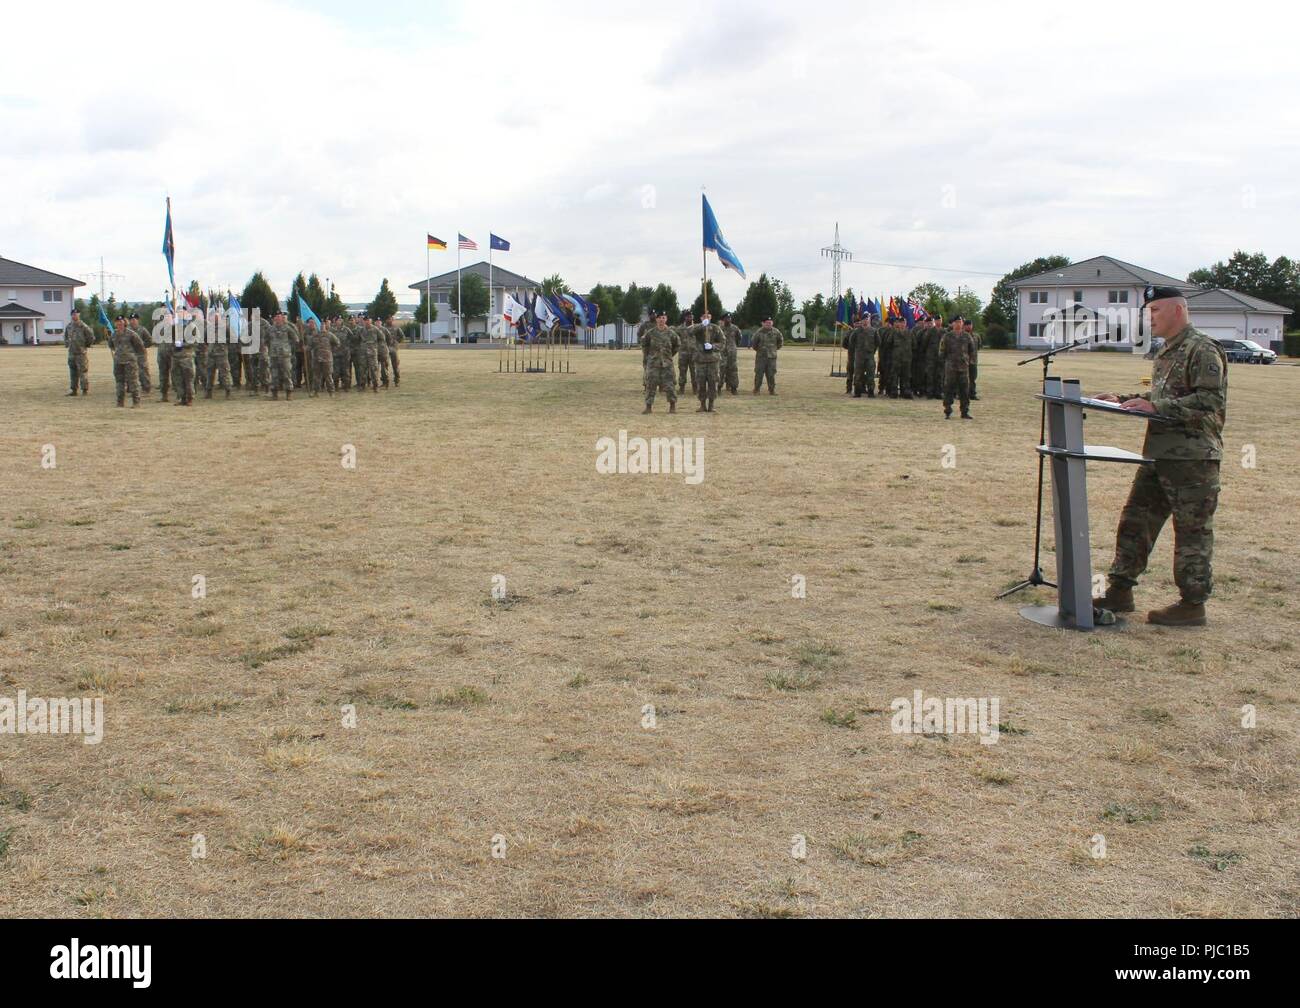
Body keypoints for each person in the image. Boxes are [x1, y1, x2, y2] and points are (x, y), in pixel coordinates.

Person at [1091, 286, 1228, 627]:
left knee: (1191, 533)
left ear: (1177, 311)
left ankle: (1192, 605)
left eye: (1154, 311)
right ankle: (1120, 590)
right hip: (1158, 455)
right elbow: (1163, 396)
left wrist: (1157, 406)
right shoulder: (1167, 352)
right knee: (1135, 521)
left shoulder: (1203, 349)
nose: (1148, 318)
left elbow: (1210, 401)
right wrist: (1123, 398)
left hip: (1192, 459)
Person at [641, 310, 679, 414]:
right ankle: (648, 407)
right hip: (654, 364)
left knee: (670, 385)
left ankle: (672, 406)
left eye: (663, 318)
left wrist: (670, 355)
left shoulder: (671, 333)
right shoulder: (651, 333)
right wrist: (650, 355)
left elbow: (677, 345)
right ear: (656, 319)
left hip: (667, 364)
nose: (661, 320)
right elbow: (644, 344)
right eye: (659, 318)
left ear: (666, 319)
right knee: (650, 385)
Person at [938, 316, 974, 419]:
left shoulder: (967, 336)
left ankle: (964, 412)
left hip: (963, 368)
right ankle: (947, 411)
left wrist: (969, 362)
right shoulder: (947, 336)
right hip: (951, 368)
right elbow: (941, 351)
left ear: (962, 323)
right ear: (952, 324)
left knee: (964, 391)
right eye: (956, 322)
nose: (958, 324)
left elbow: (972, 350)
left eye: (960, 322)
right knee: (948, 390)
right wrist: (944, 363)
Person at [108, 317, 145, 407]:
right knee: (119, 382)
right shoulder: (114, 334)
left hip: (130, 362)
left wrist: (133, 355)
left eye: (121, 322)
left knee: (133, 382)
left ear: (124, 323)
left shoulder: (131, 334)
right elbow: (111, 345)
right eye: (117, 322)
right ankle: (120, 402)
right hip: (118, 362)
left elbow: (140, 346)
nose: (119, 324)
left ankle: (136, 402)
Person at [690, 312, 723, 412]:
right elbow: (689, 333)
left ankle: (711, 405)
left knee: (713, 382)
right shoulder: (696, 328)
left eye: (708, 316)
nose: (706, 318)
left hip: (713, 360)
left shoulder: (716, 328)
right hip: (700, 360)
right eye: (704, 316)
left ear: (711, 317)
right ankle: (702, 405)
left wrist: (713, 346)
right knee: (701, 383)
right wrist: (701, 325)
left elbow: (723, 342)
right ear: (700, 318)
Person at [64, 308, 93, 396]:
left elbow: (91, 336)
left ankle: (85, 390)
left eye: (76, 314)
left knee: (83, 372)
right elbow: (66, 337)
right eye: (73, 314)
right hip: (72, 353)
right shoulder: (69, 326)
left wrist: (86, 345)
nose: (74, 316)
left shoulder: (83, 326)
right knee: (73, 372)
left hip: (81, 353)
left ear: (79, 315)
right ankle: (74, 390)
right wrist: (67, 343)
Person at [751, 315, 782, 394]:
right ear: (763, 323)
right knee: (759, 374)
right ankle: (757, 389)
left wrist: (774, 350)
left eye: (770, 322)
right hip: (761, 357)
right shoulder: (758, 332)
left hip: (772, 357)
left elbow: (780, 342)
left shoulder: (776, 332)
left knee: (771, 374)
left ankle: (772, 390)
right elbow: (754, 344)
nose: (769, 324)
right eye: (767, 323)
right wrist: (760, 351)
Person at [127, 312, 153, 395]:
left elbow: (150, 340)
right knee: (130, 372)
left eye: (134, 319)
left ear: (138, 320)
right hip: (130, 355)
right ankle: (131, 388)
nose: (132, 321)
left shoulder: (142, 330)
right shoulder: (126, 330)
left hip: (141, 355)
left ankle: (146, 388)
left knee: (143, 372)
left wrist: (142, 346)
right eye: (131, 320)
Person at [718, 312, 741, 394]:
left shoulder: (735, 328)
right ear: (723, 319)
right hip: (722, 353)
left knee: (733, 370)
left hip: (732, 353)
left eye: (730, 318)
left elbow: (739, 338)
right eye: (727, 318)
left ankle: (734, 388)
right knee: (721, 370)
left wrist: (733, 346)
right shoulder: (719, 329)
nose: (728, 319)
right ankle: (719, 387)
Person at [676, 310, 697, 393]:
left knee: (694, 372)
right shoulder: (680, 328)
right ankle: (681, 388)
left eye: (691, 316)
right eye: (688, 316)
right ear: (685, 318)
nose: (690, 318)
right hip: (683, 354)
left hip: (694, 353)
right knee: (682, 371)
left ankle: (695, 388)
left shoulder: (696, 328)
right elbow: (675, 339)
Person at [965, 319, 980, 400]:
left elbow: (978, 347)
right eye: (967, 325)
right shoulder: (962, 335)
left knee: (973, 378)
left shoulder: (976, 336)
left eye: (970, 325)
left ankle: (972, 394)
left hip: (973, 361)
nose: (969, 326)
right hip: (964, 361)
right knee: (963, 379)